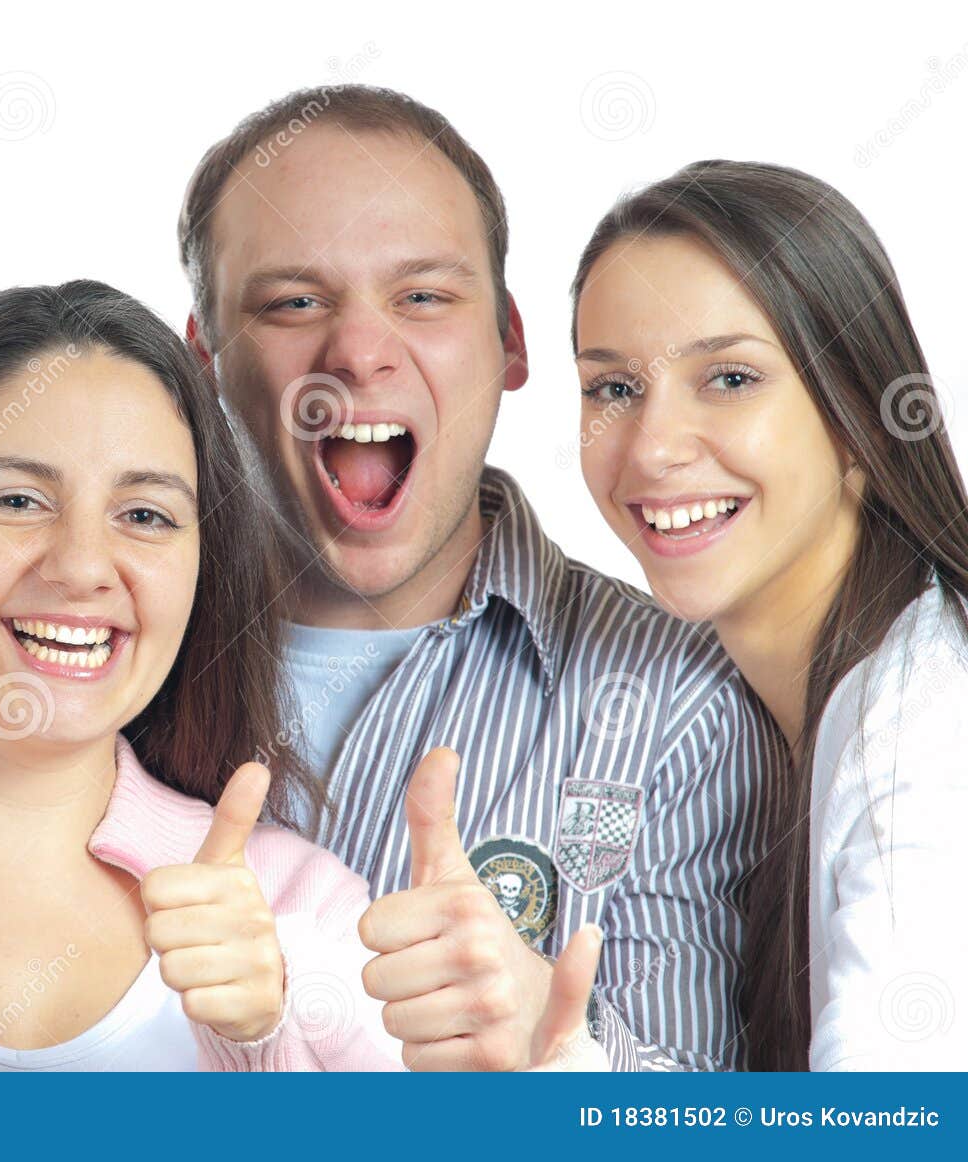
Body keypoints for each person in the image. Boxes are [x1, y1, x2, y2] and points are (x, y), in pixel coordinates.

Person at [0, 280, 603, 1072]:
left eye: (146, 515)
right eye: (16, 500)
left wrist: (265, 1056)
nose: (82, 566)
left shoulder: (299, 907)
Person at [176, 85, 783, 1070]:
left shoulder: (682, 702)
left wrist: (557, 1052)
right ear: (202, 357)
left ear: (509, 341)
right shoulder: (93, 653)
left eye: (422, 296)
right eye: (293, 302)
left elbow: (709, 1118)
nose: (359, 353)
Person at [572, 159, 968, 1070]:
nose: (653, 449)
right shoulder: (747, 707)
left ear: (858, 409)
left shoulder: (922, 734)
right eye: (614, 388)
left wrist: (559, 1071)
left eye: (730, 378)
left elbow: (890, 1124)